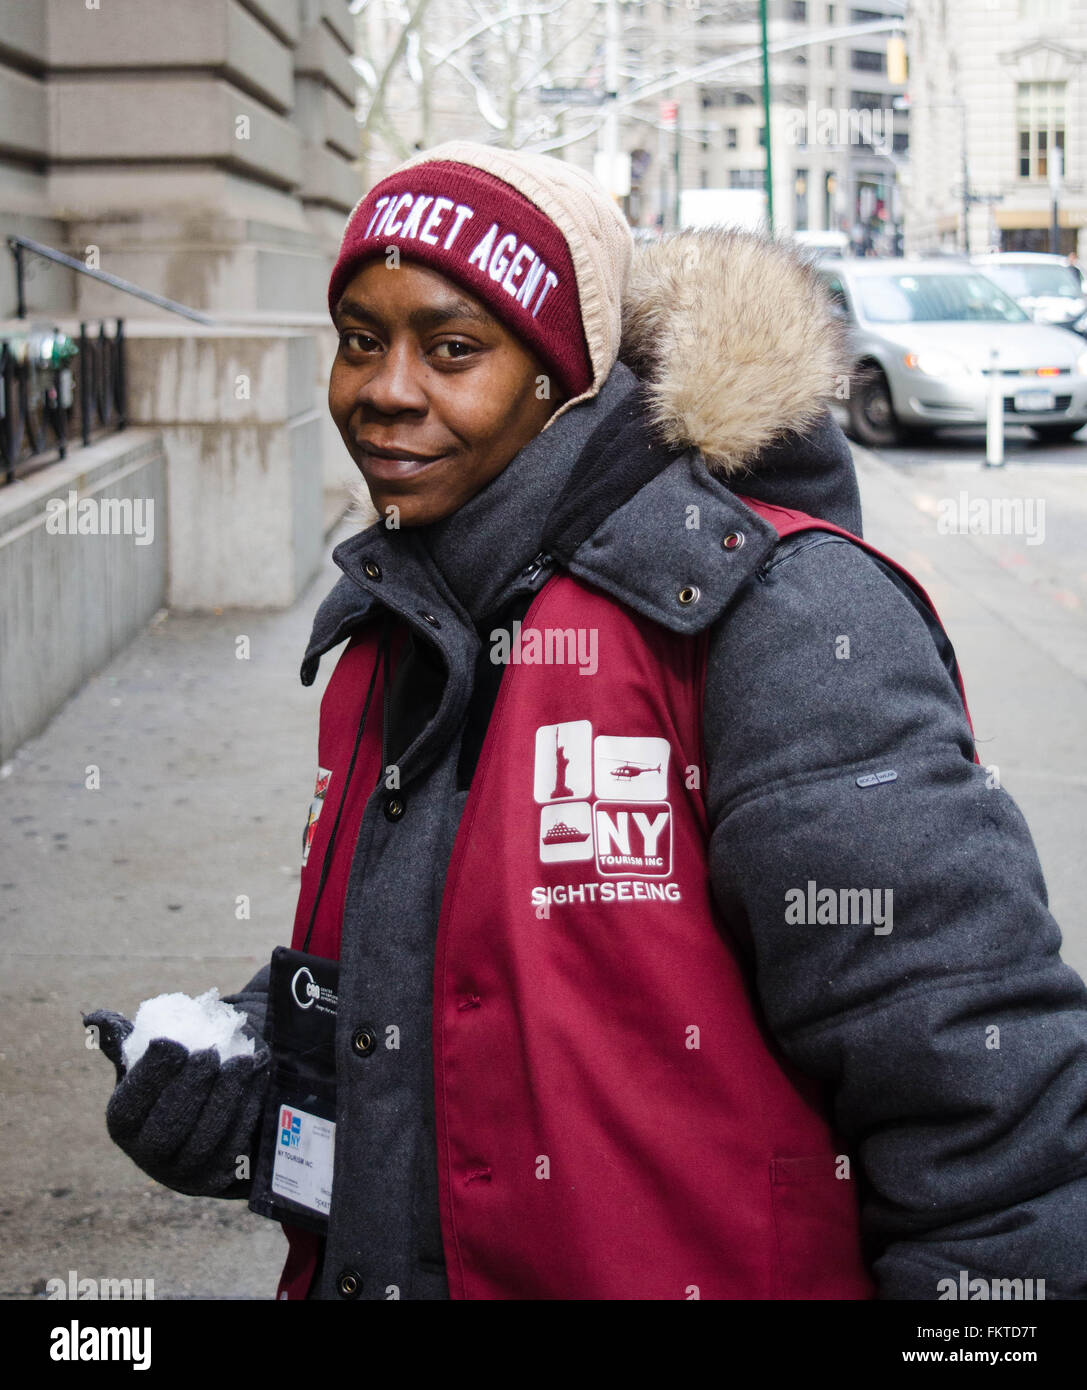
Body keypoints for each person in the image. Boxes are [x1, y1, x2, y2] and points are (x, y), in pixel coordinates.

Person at [88, 140, 1087, 1302]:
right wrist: (244, 1070)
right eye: (360, 339)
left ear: (560, 378)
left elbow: (981, 1100)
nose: (385, 388)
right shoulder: (383, 628)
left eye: (452, 346)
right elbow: (451, 990)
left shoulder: (775, 617)